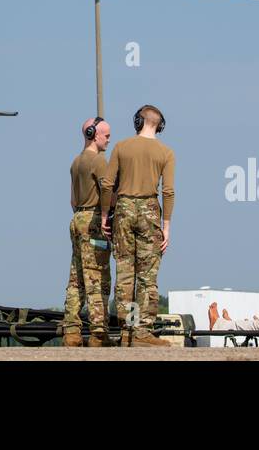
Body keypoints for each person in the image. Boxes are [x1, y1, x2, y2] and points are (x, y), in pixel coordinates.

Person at [100, 104, 174, 347]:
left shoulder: (121, 146)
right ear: (159, 126)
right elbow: (168, 191)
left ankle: (126, 331)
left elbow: (108, 185)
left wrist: (104, 216)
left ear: (138, 122)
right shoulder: (166, 152)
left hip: (123, 209)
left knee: (125, 274)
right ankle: (142, 332)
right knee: (147, 276)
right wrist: (166, 226)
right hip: (150, 211)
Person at [61, 117, 112, 347]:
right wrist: (106, 216)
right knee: (97, 276)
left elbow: (72, 200)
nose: (109, 139)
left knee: (76, 278)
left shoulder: (75, 162)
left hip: (77, 219)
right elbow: (107, 192)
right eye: (106, 135)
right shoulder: (99, 162)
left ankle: (71, 331)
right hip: (93, 221)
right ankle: (98, 333)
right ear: (93, 133)